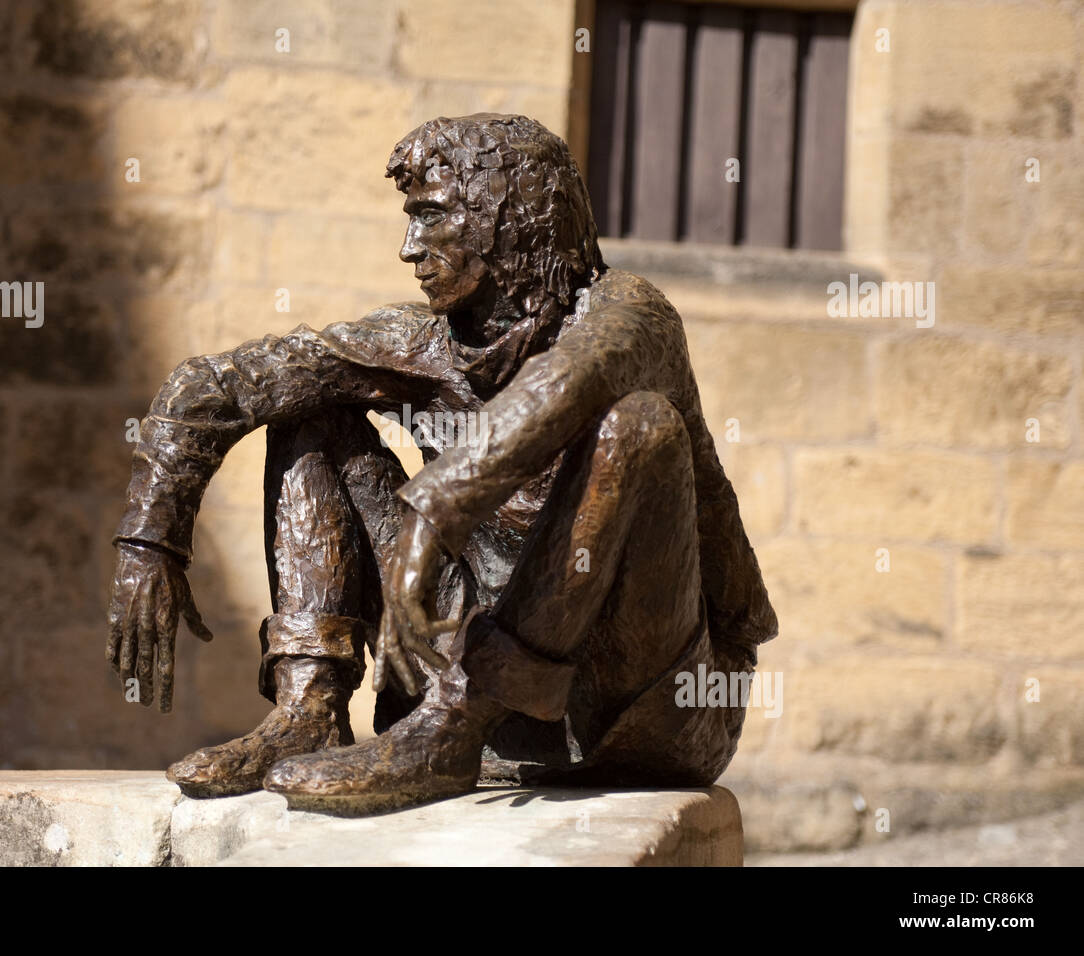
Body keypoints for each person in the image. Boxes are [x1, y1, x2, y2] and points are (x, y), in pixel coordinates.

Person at [106, 113, 778, 815]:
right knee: (310, 405)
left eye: (430, 218)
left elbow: (568, 383)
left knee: (637, 427)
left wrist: (433, 508)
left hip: (643, 702)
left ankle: (456, 726)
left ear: (505, 216)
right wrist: (149, 539)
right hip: (466, 647)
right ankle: (309, 708)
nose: (408, 248)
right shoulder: (422, 342)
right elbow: (216, 384)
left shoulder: (631, 315)